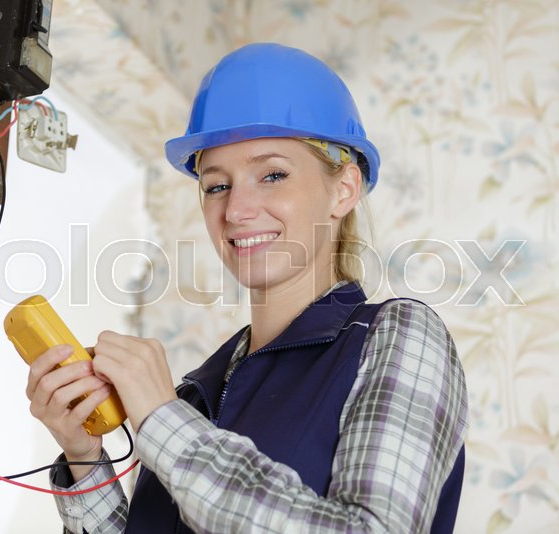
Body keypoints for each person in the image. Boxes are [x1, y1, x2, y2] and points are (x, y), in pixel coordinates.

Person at [26, 42, 468, 533]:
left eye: (272, 175)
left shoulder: (398, 336)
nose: (235, 210)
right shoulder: (195, 394)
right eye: (217, 185)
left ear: (343, 189)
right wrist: (85, 458)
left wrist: (162, 421)